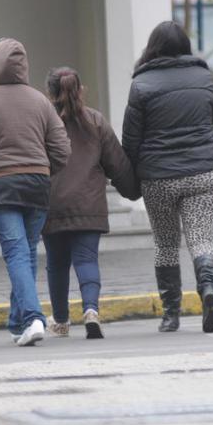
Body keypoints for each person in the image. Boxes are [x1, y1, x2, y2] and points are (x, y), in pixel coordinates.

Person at [0, 38, 70, 346]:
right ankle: (16, 320)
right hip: (37, 184)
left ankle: (33, 318)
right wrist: (43, 168)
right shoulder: (40, 102)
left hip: (2, 186)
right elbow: (62, 149)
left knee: (16, 252)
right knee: (26, 251)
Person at [122, 21, 213, 334]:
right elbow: (212, 120)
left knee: (166, 245)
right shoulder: (205, 77)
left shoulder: (142, 84)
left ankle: (171, 315)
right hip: (204, 172)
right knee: (202, 240)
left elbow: (131, 139)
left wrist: (131, 174)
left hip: (160, 177)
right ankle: (208, 290)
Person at [41, 67, 138, 339]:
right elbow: (117, 163)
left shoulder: (44, 122)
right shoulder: (95, 121)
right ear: (80, 89)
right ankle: (91, 310)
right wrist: (133, 190)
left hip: (53, 203)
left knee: (56, 264)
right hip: (89, 204)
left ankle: (60, 320)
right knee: (86, 259)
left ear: (50, 93)